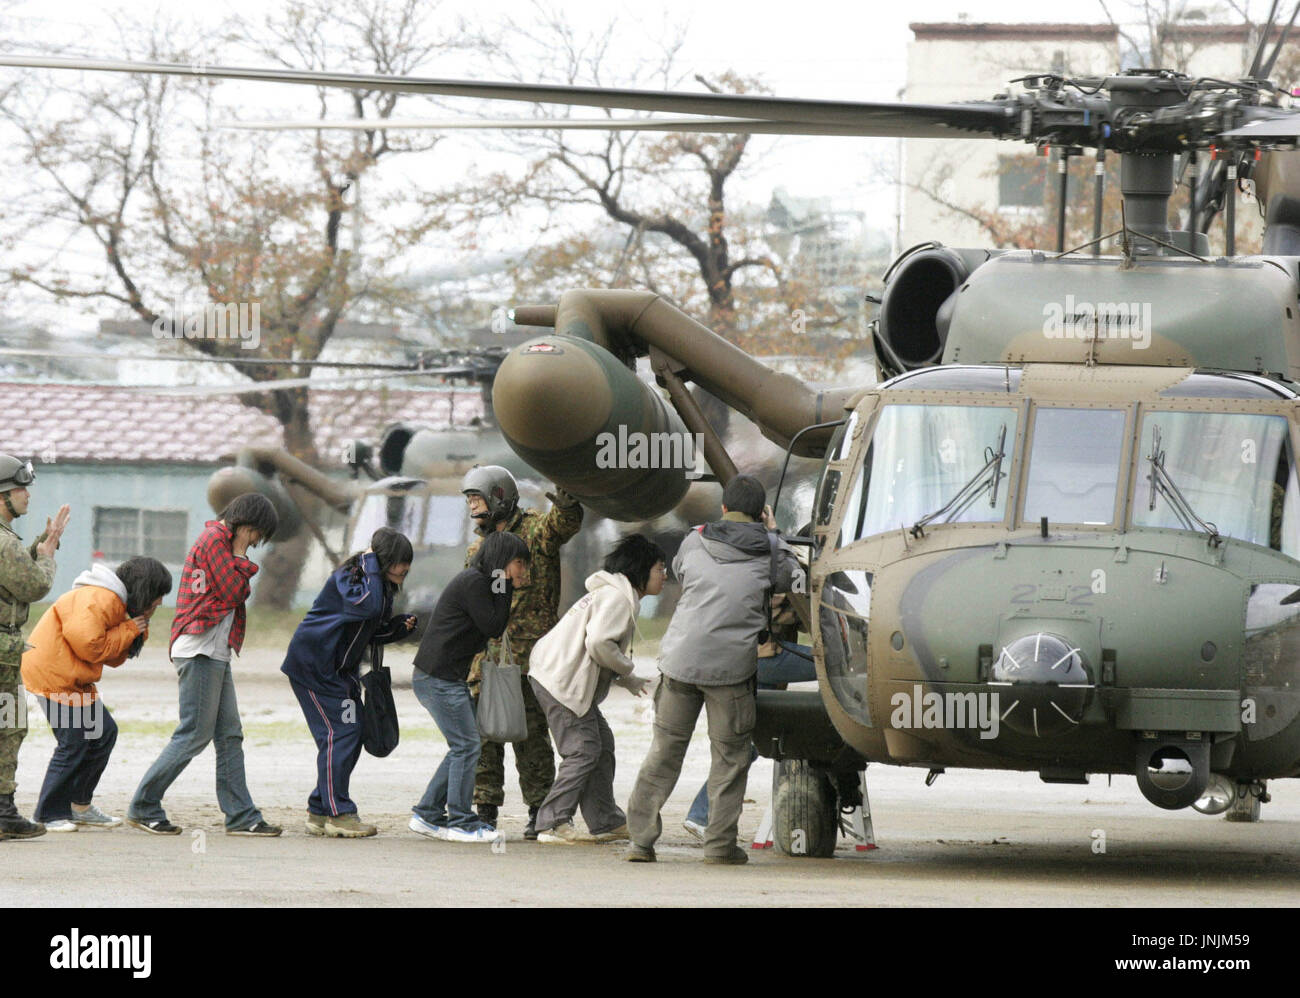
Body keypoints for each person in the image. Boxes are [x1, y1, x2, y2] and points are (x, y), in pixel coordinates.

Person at [625, 474, 805, 865]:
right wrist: (775, 535)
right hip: (731, 671)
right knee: (729, 758)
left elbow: (684, 572)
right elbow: (798, 580)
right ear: (762, 514)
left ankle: (640, 842)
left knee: (664, 753)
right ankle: (719, 847)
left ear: (724, 508)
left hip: (680, 660)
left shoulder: (694, 539)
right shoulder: (772, 549)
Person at [127, 493, 281, 837]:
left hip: (214, 650)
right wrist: (241, 551)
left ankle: (241, 816)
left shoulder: (222, 542)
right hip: (198, 648)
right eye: (257, 533)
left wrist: (240, 553)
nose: (256, 542)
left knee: (229, 735)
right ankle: (144, 805)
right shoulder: (215, 540)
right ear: (246, 522)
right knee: (194, 732)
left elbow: (234, 591)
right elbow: (232, 591)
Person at [461, 465, 582, 839]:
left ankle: (540, 811)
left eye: (477, 498)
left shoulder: (533, 530)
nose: (472, 507)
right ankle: (485, 811)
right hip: (488, 655)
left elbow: (560, 526)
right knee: (485, 735)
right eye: (469, 500)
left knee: (531, 735)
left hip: (532, 657)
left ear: (498, 496)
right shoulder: (478, 547)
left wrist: (568, 502)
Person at [281, 528, 417, 838]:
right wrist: (370, 560)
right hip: (314, 669)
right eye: (397, 562)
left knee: (351, 731)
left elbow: (367, 630)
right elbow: (365, 607)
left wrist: (398, 628)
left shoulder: (375, 585)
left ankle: (319, 810)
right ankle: (338, 812)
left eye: (407, 563)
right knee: (340, 733)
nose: (404, 568)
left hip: (339, 674)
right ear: (380, 560)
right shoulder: (350, 578)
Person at [527, 534, 662, 844]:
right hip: (561, 681)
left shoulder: (613, 593)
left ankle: (605, 820)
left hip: (555, 675)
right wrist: (629, 671)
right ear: (641, 569)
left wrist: (627, 681)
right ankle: (552, 822)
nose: (664, 575)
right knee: (584, 748)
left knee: (601, 745)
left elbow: (599, 647)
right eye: (659, 568)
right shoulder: (617, 598)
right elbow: (599, 642)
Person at [21, 557, 172, 831]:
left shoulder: (115, 603)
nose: (160, 602)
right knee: (74, 743)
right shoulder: (98, 598)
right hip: (52, 675)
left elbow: (112, 658)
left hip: (73, 677)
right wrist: (129, 629)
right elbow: (90, 647)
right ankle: (47, 814)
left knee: (102, 734)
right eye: (158, 594)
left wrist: (134, 630)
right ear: (144, 588)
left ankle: (79, 806)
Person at [409, 530, 529, 844]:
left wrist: (502, 584)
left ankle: (428, 813)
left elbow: (493, 623)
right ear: (503, 562)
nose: (523, 571)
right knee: (466, 745)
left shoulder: (481, 582)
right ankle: (460, 820)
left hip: (443, 676)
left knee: (463, 745)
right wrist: (504, 584)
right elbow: (493, 626)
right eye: (519, 563)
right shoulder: (475, 582)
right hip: (437, 678)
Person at [682, 594, 813, 838]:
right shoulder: (770, 565)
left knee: (745, 746)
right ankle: (702, 816)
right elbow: (771, 604)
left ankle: (701, 815)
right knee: (839, 663)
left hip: (757, 656)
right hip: (764, 656)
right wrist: (799, 609)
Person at [0, 454, 69, 840]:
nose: (27, 495)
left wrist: (44, 543)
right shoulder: (3, 541)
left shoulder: (7, 541)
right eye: (18, 489)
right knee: (8, 726)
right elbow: (31, 585)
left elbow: (11, 576)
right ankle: (3, 813)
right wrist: (48, 556)